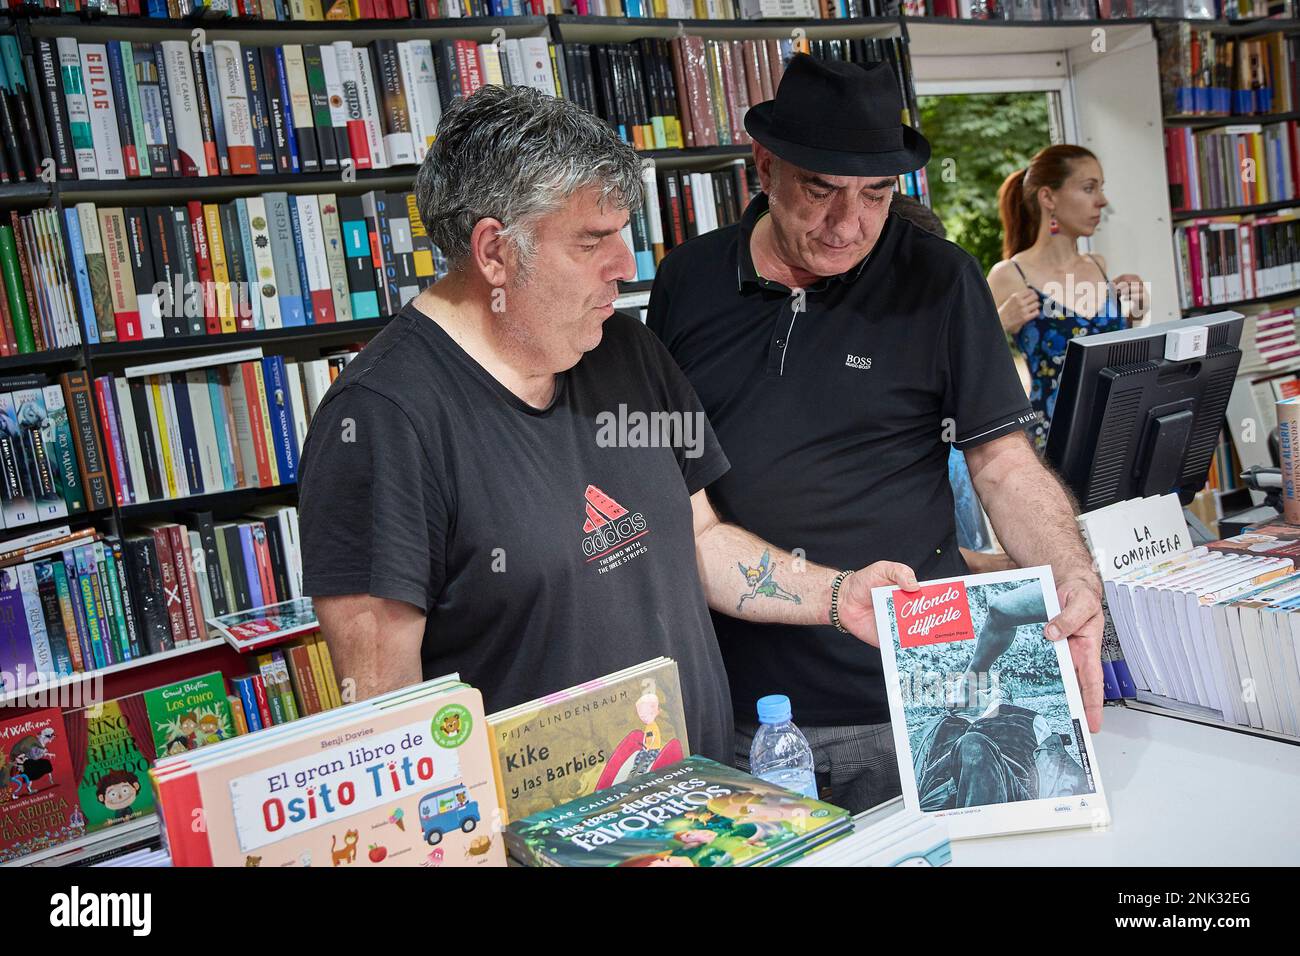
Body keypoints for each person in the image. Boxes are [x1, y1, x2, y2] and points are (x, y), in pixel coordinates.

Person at [296, 84, 918, 768]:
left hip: (703, 806)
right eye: (592, 242)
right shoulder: (384, 422)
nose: (626, 267)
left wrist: (836, 595)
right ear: (495, 252)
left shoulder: (624, 349)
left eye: (620, 235)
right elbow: (387, 713)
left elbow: (702, 538)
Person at [647, 55, 1105, 813]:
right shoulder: (687, 282)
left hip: (915, 696)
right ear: (765, 167)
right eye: (821, 190)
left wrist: (1074, 575)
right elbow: (680, 502)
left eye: (877, 195)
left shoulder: (940, 279)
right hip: (741, 713)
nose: (848, 225)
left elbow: (1003, 464)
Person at [987, 144, 1149, 452]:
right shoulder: (1009, 275)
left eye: (1101, 189)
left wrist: (1137, 312)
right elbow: (969, 363)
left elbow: (1115, 354)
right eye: (1089, 188)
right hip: (1054, 442)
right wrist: (999, 324)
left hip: (1121, 431)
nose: (1102, 201)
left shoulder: (1099, 265)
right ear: (1048, 197)